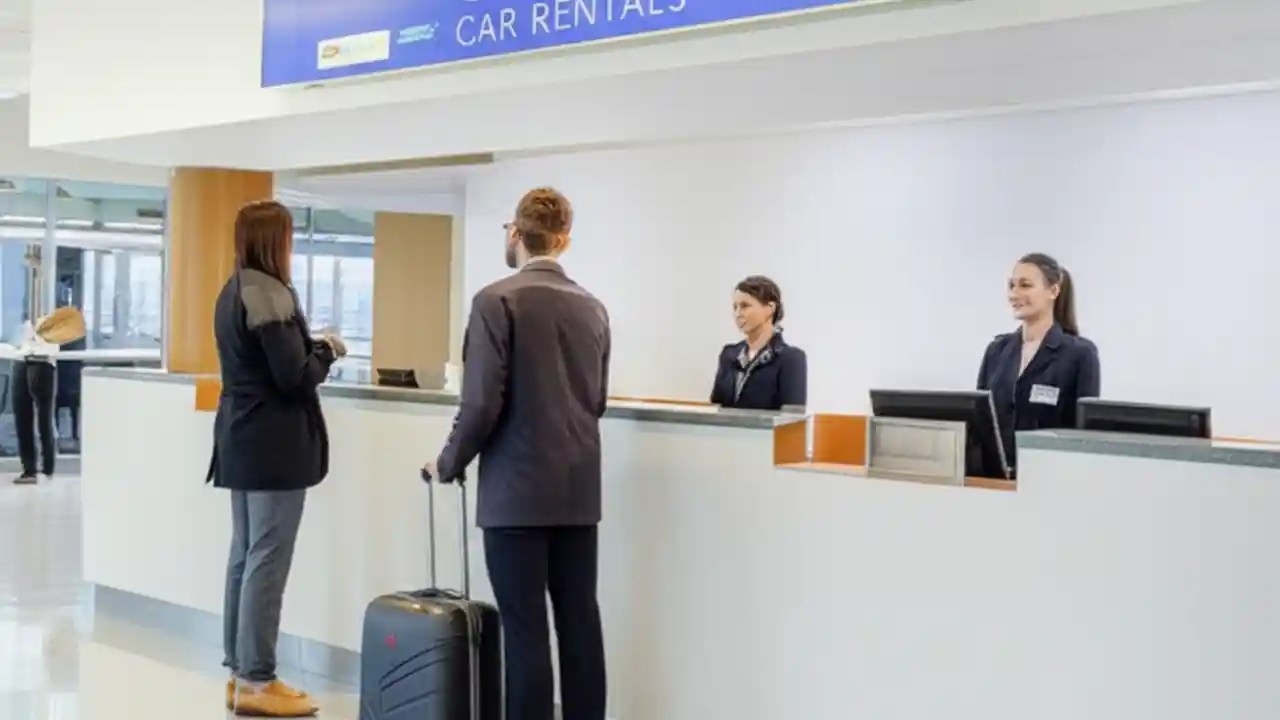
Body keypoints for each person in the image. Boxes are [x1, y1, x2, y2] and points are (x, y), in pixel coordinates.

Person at [425, 187, 611, 720]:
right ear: (563, 240)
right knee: (579, 620)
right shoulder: (593, 307)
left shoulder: (495, 301)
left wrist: (447, 462)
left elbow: (481, 402)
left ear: (514, 233)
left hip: (516, 492)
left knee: (525, 627)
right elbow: (594, 401)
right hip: (577, 491)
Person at [208, 200, 347, 718]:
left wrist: (306, 346)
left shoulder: (233, 289)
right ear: (275, 241)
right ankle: (259, 681)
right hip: (273, 445)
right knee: (267, 559)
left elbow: (269, 359)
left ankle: (239, 673)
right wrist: (328, 350)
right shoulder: (269, 291)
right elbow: (294, 376)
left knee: (246, 554)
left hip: (240, 439)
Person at [976, 252, 1100, 477]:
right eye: (1011, 286)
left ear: (1053, 291)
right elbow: (980, 423)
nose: (1015, 293)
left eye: (1025, 285)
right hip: (994, 485)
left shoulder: (1080, 354)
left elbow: (1084, 437)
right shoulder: (996, 351)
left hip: (1050, 483)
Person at [710, 275, 807, 410]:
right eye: (735, 307)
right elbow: (716, 407)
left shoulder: (790, 359)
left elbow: (791, 419)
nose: (738, 313)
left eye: (745, 306)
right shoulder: (729, 355)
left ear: (770, 308)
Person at [11, 315, 59, 484]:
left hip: (42, 361)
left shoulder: (52, 310)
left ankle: (47, 469)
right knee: (22, 418)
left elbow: (53, 342)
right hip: (20, 360)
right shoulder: (23, 316)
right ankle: (29, 469)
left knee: (44, 419)